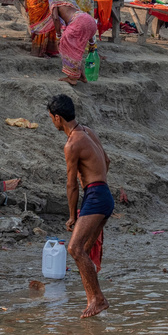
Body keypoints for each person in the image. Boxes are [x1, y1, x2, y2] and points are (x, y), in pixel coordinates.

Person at [43, 94, 112, 316]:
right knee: (84, 249)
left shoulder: (72, 144)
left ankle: (97, 299)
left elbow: (71, 185)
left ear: (57, 118)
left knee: (75, 248)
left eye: (52, 118)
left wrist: (72, 216)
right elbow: (107, 160)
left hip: (95, 195)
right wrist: (96, 183)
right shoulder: (88, 131)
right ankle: (93, 299)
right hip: (102, 193)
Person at [47, 0, 98, 85]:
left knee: (64, 45)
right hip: (90, 21)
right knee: (76, 50)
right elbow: (84, 21)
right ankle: (82, 76)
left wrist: (58, 36)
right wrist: (92, 41)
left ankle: (72, 78)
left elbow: (55, 17)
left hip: (78, 22)